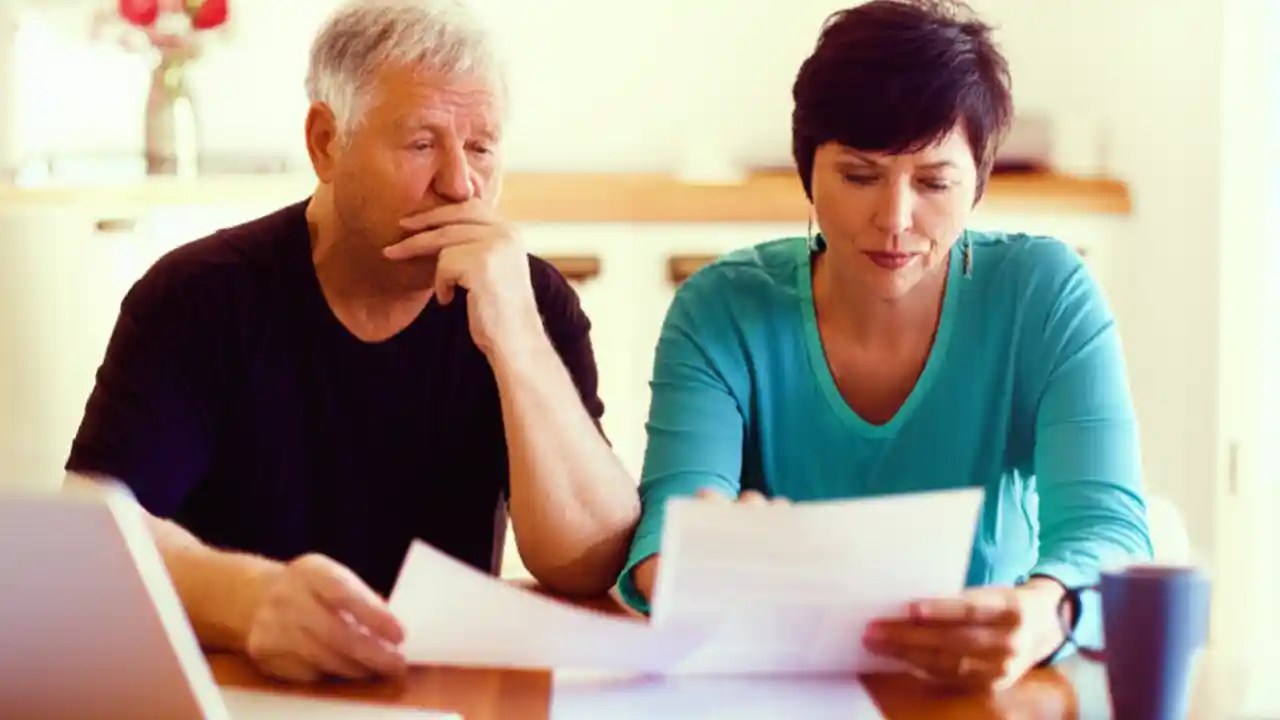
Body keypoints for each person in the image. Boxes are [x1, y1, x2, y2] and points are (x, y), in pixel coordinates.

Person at [64, 0, 639, 684]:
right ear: (326, 143)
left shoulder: (530, 301)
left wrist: (516, 340)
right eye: (421, 144)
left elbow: (587, 562)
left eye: (482, 147)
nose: (460, 184)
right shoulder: (199, 296)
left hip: (431, 689)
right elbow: (90, 535)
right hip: (234, 683)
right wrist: (247, 599)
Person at [619, 0, 1152, 691]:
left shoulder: (1043, 295)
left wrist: (1043, 612)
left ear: (981, 181)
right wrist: (715, 557)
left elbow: (1108, 531)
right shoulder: (721, 308)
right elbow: (665, 539)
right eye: (859, 176)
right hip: (776, 690)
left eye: (933, 182)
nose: (894, 220)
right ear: (807, 169)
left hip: (979, 693)